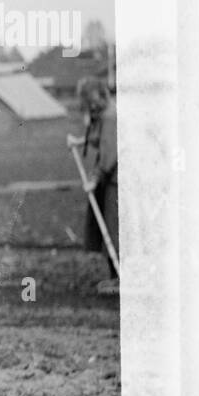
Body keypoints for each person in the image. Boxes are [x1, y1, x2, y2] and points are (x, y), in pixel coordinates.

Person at [69, 77, 119, 294]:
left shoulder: (110, 116)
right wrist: (80, 142)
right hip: (111, 178)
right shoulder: (103, 114)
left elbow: (109, 154)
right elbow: (100, 139)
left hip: (116, 180)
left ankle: (119, 277)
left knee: (114, 229)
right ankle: (116, 276)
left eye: (91, 100)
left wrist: (95, 178)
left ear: (100, 95)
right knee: (108, 227)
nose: (90, 106)